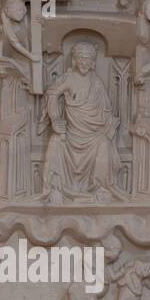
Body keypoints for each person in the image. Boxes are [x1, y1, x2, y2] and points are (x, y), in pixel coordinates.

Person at [41, 42, 123, 200]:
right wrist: (55, 119)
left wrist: (110, 123)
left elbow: (106, 108)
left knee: (104, 144)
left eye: (88, 59)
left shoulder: (96, 82)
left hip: (93, 135)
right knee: (55, 142)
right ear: (74, 60)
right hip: (71, 134)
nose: (84, 63)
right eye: (81, 58)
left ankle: (100, 188)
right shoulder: (69, 78)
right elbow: (52, 94)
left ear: (93, 63)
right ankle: (55, 188)